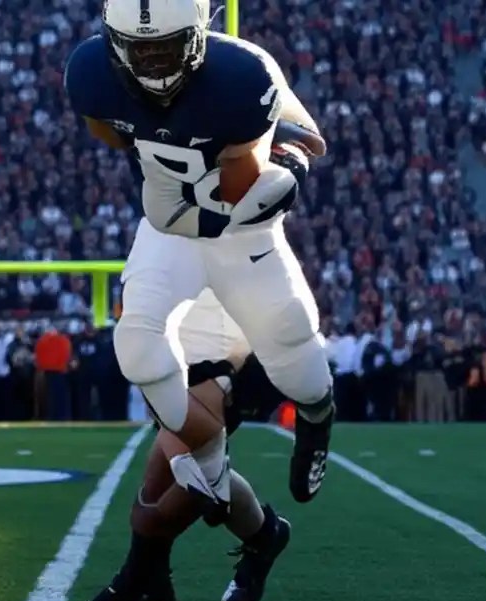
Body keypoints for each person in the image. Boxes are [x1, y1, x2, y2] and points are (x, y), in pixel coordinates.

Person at [64, 0, 333, 510]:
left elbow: (241, 186)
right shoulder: (90, 73)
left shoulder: (240, 74)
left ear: (197, 37)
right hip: (170, 227)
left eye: (166, 49)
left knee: (295, 351)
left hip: (243, 231)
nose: (153, 65)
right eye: (138, 51)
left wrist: (285, 156)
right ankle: (208, 460)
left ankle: (318, 419)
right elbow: (107, 130)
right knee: (138, 346)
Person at [69, 290, 292, 601]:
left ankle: (134, 585)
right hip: (203, 362)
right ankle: (261, 536)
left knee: (157, 512)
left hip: (223, 366)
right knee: (152, 499)